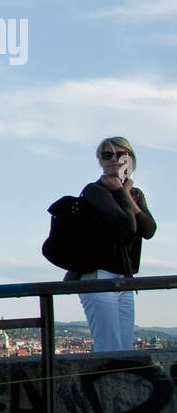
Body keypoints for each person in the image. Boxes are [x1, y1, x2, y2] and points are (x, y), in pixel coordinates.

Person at [73, 137, 156, 353]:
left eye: (120, 154)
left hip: (123, 277)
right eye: (107, 155)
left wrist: (127, 193)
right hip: (97, 274)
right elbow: (127, 225)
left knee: (125, 347)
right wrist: (121, 191)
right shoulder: (95, 191)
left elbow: (148, 230)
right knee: (109, 346)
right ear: (99, 161)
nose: (114, 159)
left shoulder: (135, 194)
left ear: (130, 159)